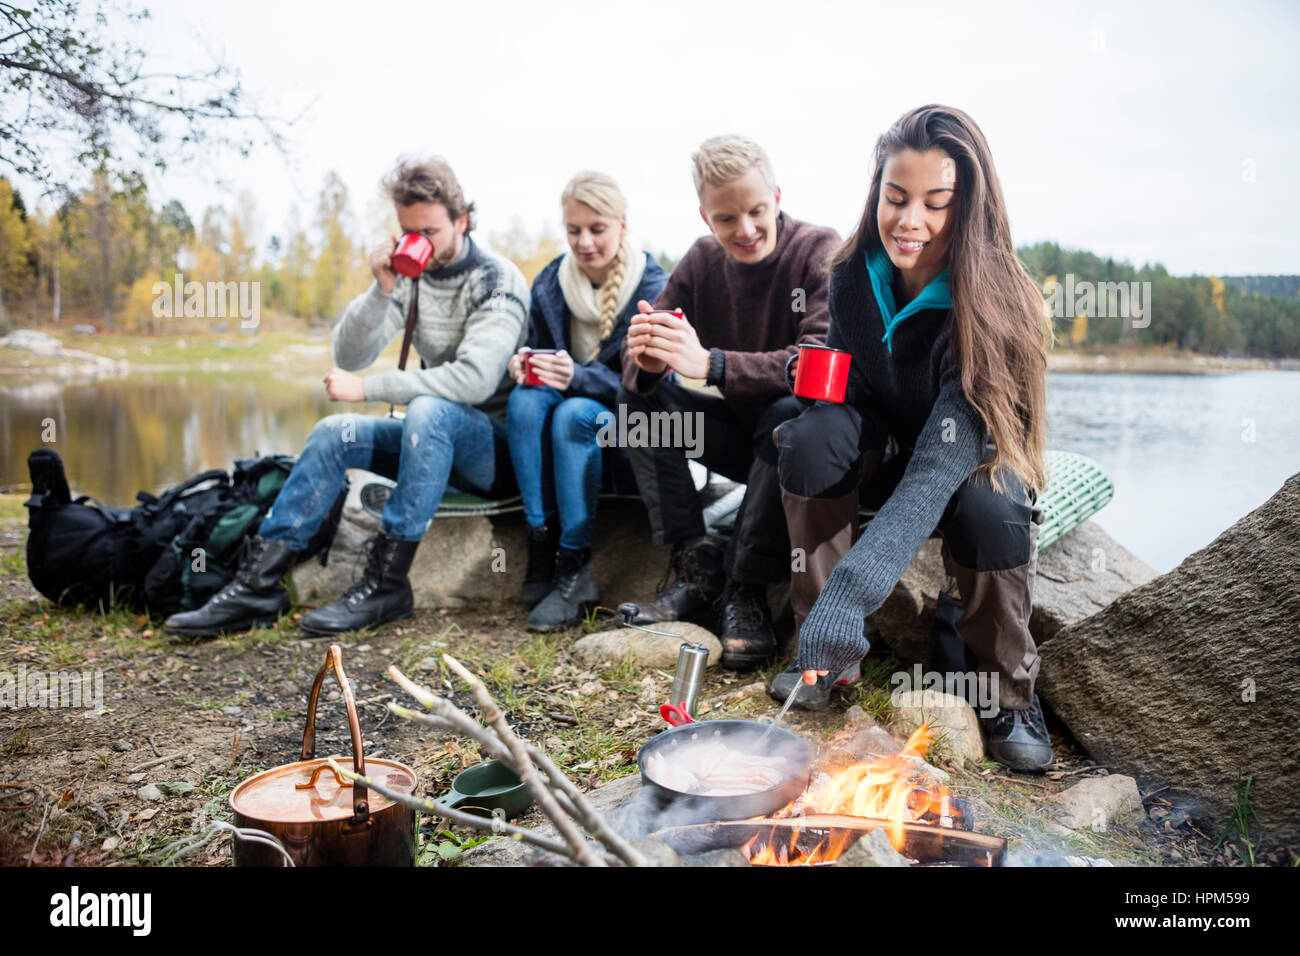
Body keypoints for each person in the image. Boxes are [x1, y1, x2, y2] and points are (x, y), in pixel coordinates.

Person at [772, 105, 1055, 772]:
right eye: (896, 198)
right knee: (811, 438)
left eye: (936, 203)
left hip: (974, 456)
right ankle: (824, 656)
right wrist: (816, 394)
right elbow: (852, 394)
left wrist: (854, 590)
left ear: (971, 207)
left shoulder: (998, 301)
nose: (910, 221)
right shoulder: (850, 276)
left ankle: (1008, 693)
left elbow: (941, 461)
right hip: (890, 447)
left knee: (993, 507)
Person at [164, 157, 529, 639]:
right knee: (336, 431)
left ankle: (386, 585)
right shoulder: (412, 275)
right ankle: (258, 584)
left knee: (429, 410)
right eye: (406, 231)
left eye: (430, 231)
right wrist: (382, 290)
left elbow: (475, 380)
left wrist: (369, 390)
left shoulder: (497, 279)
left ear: (462, 220)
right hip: (429, 441)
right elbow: (349, 354)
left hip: (494, 452)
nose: (417, 242)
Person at [618, 135, 840, 670]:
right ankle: (698, 567)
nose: (745, 230)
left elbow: (817, 365)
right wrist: (649, 357)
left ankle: (745, 588)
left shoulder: (819, 249)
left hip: (791, 444)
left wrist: (713, 365)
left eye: (757, 211)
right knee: (637, 407)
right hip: (731, 435)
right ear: (704, 217)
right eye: (726, 219)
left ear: (777, 196)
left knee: (787, 414)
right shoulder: (699, 262)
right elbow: (634, 372)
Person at [505, 171, 667, 630]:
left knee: (574, 413)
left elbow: (653, 386)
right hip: (560, 429)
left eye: (597, 228)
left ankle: (574, 568)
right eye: (574, 230)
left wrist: (576, 376)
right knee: (524, 400)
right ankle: (541, 544)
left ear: (622, 225)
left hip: (627, 431)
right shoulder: (550, 282)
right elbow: (538, 351)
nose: (584, 241)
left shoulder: (653, 287)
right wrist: (525, 365)